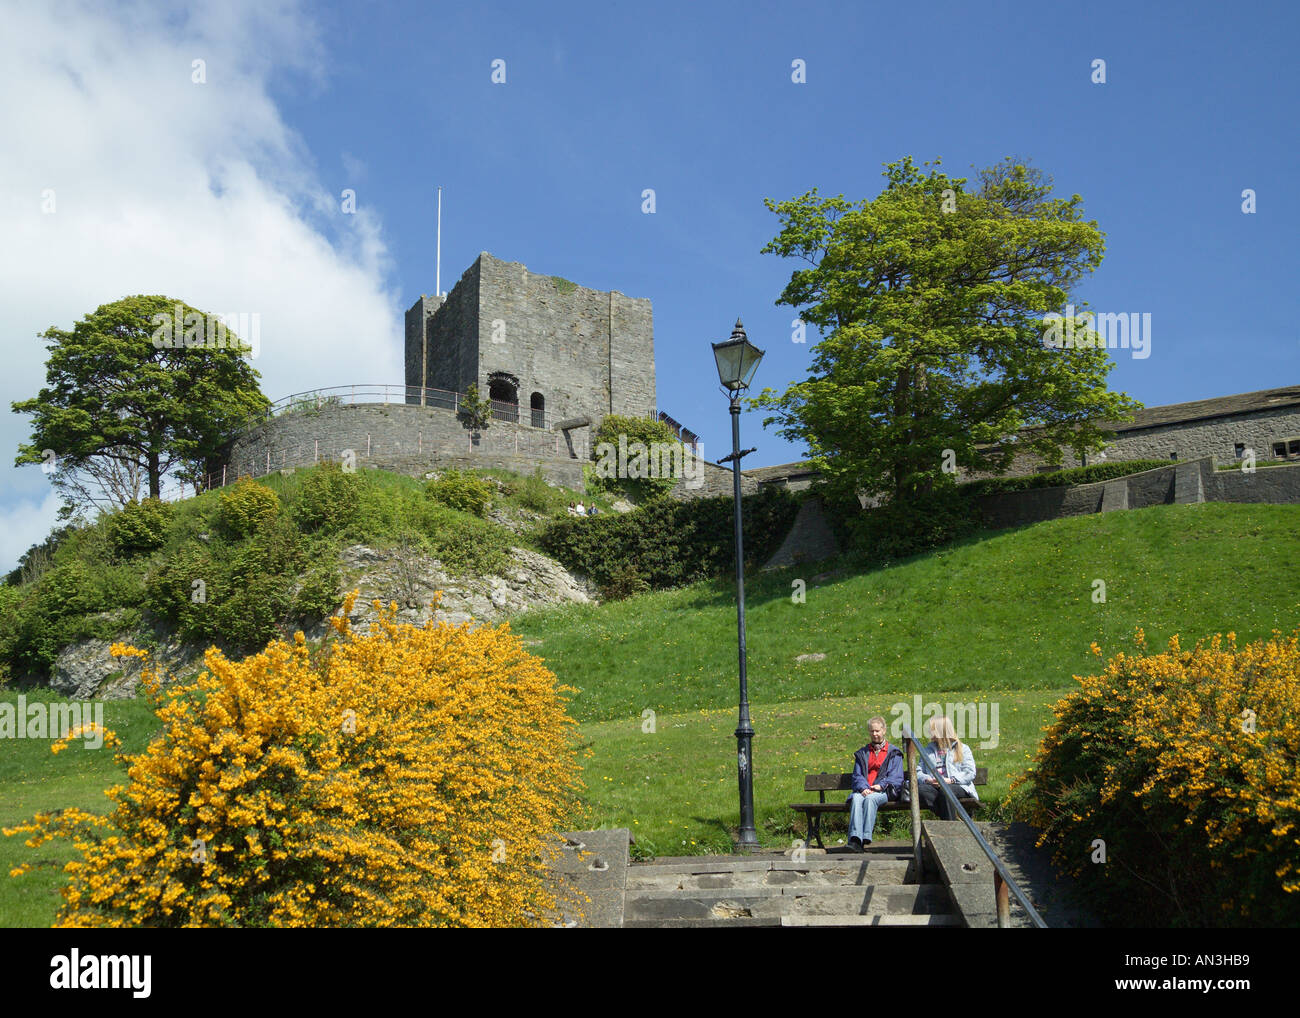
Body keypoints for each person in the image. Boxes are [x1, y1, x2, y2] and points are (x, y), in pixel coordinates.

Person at [846, 715, 903, 851]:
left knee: (870, 799)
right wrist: (863, 788)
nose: (875, 734)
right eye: (872, 731)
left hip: (883, 791)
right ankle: (855, 840)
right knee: (856, 798)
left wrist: (881, 786)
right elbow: (857, 775)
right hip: (864, 790)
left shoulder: (894, 753)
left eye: (877, 731)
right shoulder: (863, 753)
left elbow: (896, 777)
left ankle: (865, 837)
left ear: (884, 730)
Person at [914, 715, 978, 821]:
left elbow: (970, 772)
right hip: (935, 786)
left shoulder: (963, 749)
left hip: (958, 785)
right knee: (920, 790)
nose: (929, 732)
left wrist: (950, 780)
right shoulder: (927, 750)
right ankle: (953, 820)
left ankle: (949, 826)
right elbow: (918, 771)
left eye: (932, 729)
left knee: (946, 791)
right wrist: (927, 779)